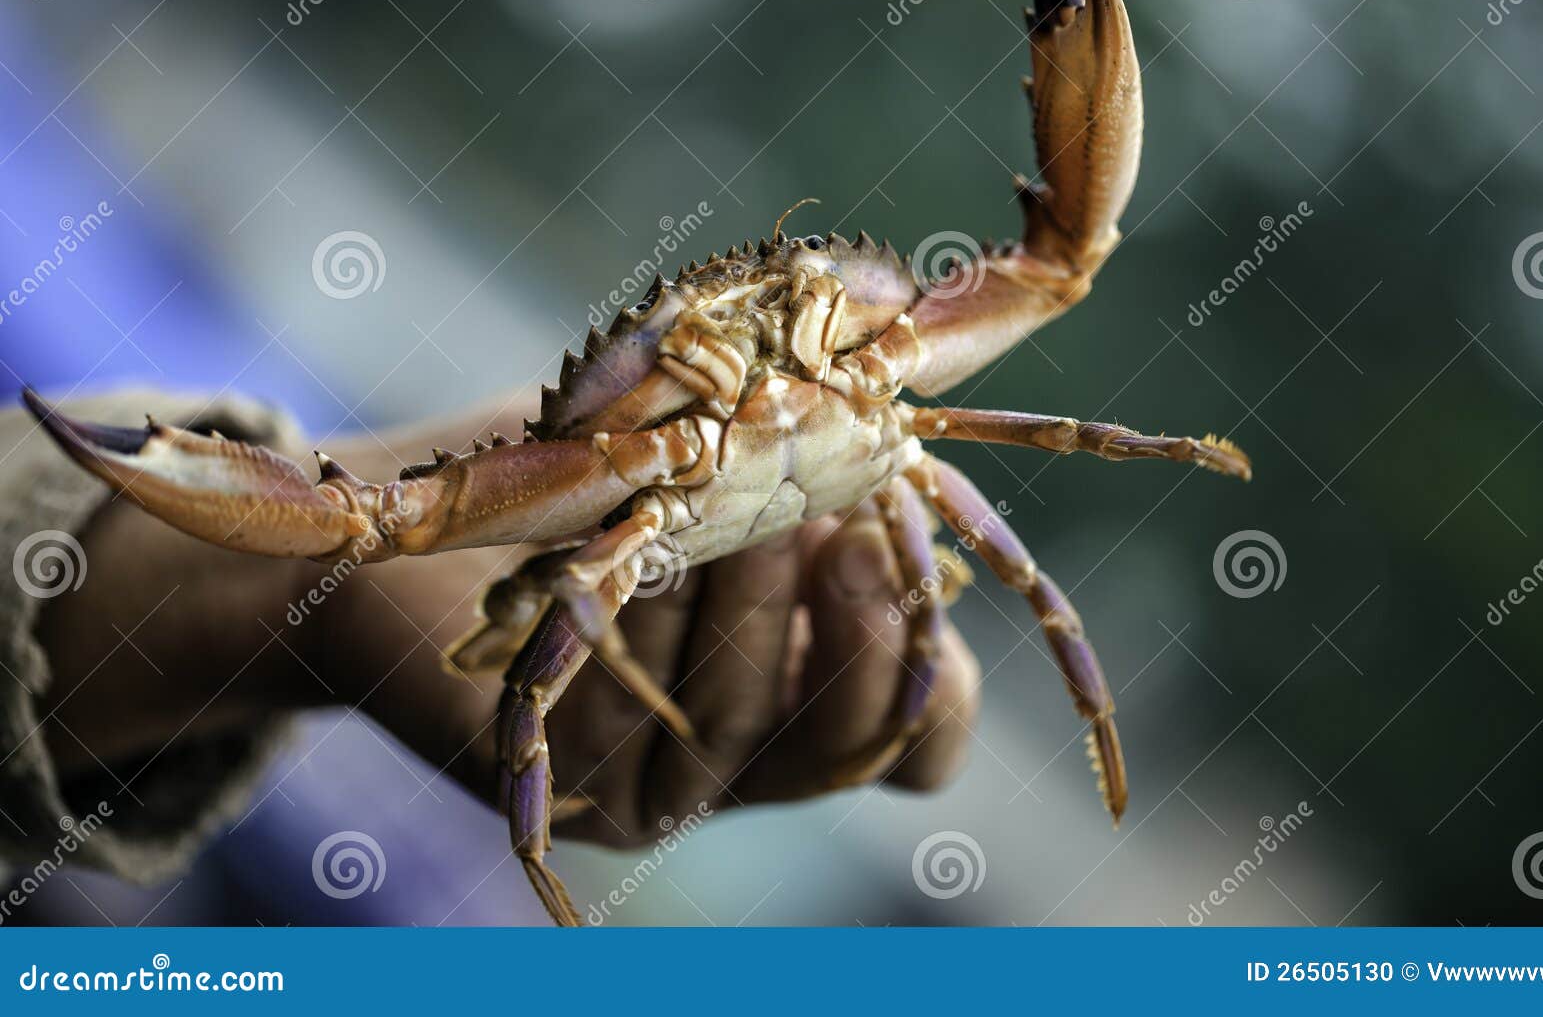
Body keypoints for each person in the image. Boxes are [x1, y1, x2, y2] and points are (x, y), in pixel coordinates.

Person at [0, 388, 981, 900]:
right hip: (579, 537)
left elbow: (1059, 271)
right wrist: (315, 580)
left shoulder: (897, 423)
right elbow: (369, 537)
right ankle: (548, 874)